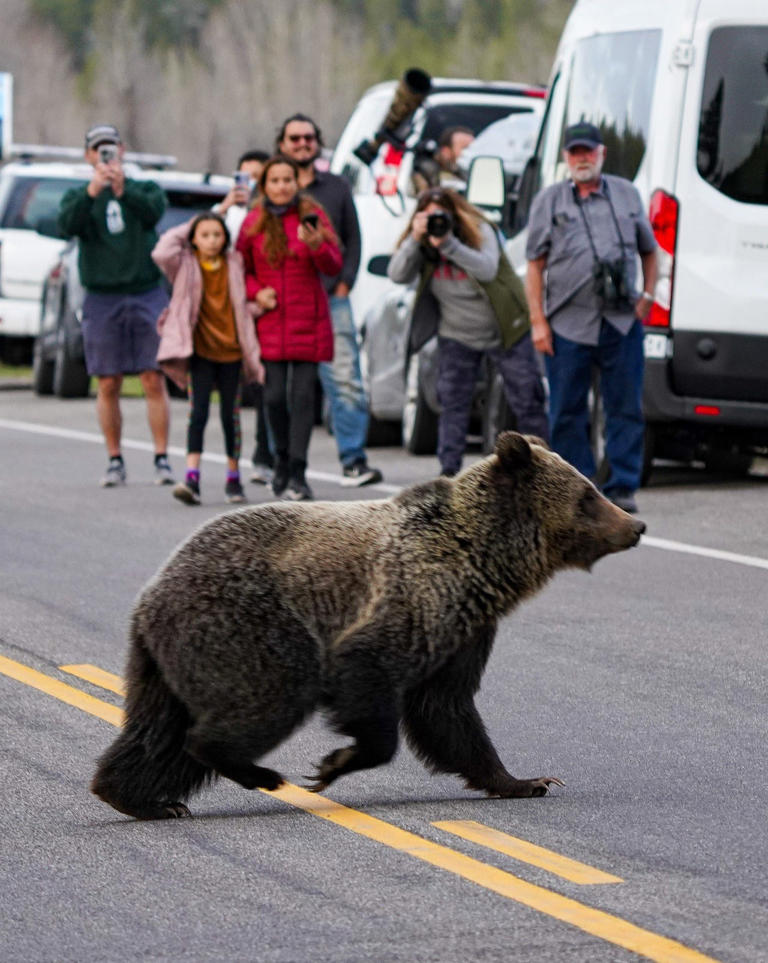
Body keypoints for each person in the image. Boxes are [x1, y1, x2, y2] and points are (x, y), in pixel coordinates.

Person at [525, 121, 658, 514]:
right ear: (566, 158)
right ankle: (577, 490)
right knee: (566, 409)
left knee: (626, 406)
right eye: (574, 152)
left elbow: (650, 250)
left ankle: (622, 487)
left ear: (601, 153)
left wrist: (648, 295)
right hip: (566, 323)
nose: (582, 158)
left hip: (621, 320)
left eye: (588, 151)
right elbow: (534, 264)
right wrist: (538, 322)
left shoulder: (627, 194)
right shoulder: (549, 200)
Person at [388, 186, 548, 477]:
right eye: (429, 215)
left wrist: (449, 243)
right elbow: (397, 274)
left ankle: (543, 468)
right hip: (457, 334)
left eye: (442, 214)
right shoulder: (423, 244)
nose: (437, 220)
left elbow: (486, 268)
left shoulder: (480, 230)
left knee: (527, 398)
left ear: (455, 213)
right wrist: (415, 238)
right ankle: (449, 474)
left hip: (505, 329)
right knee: (453, 402)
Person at [58, 123, 175, 488]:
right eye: (98, 150)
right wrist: (94, 191)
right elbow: (67, 224)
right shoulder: (79, 195)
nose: (105, 156)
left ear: (122, 150)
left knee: (153, 376)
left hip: (144, 291)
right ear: (88, 155)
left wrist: (123, 191)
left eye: (111, 149)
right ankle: (114, 458)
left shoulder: (143, 189)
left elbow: (155, 214)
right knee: (108, 381)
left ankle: (161, 458)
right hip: (101, 296)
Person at [276, 112, 383, 487]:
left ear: (318, 142)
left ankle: (353, 458)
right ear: (282, 145)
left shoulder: (336, 187)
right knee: (285, 387)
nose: (303, 143)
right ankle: (281, 463)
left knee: (345, 379)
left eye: (309, 137)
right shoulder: (274, 187)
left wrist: (345, 282)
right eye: (295, 138)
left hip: (330, 299)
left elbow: (353, 238)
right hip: (286, 304)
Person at [236, 156, 342, 501]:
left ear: (297, 183)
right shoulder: (253, 223)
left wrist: (316, 245)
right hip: (271, 320)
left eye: (288, 180)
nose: (282, 186)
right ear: (264, 186)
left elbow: (333, 264)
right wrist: (256, 292)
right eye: (275, 180)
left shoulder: (313, 217)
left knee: (302, 396)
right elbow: (240, 268)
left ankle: (298, 471)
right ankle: (280, 458)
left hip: (308, 319)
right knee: (274, 397)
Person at [152, 212, 264, 506]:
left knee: (231, 416)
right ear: (193, 239)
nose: (212, 241)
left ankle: (233, 477)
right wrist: (195, 222)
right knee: (197, 414)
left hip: (232, 352)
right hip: (200, 353)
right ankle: (192, 478)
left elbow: (240, 306)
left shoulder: (235, 263)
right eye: (204, 235)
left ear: (225, 237)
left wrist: (258, 306)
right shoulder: (184, 265)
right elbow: (161, 250)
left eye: (217, 234)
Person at [215, 149, 275, 485]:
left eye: (257, 177)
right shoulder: (228, 216)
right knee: (228, 391)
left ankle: (264, 455)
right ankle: (230, 465)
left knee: (266, 385)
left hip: (259, 308)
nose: (250, 184)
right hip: (225, 312)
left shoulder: (271, 216)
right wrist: (224, 209)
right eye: (244, 177)